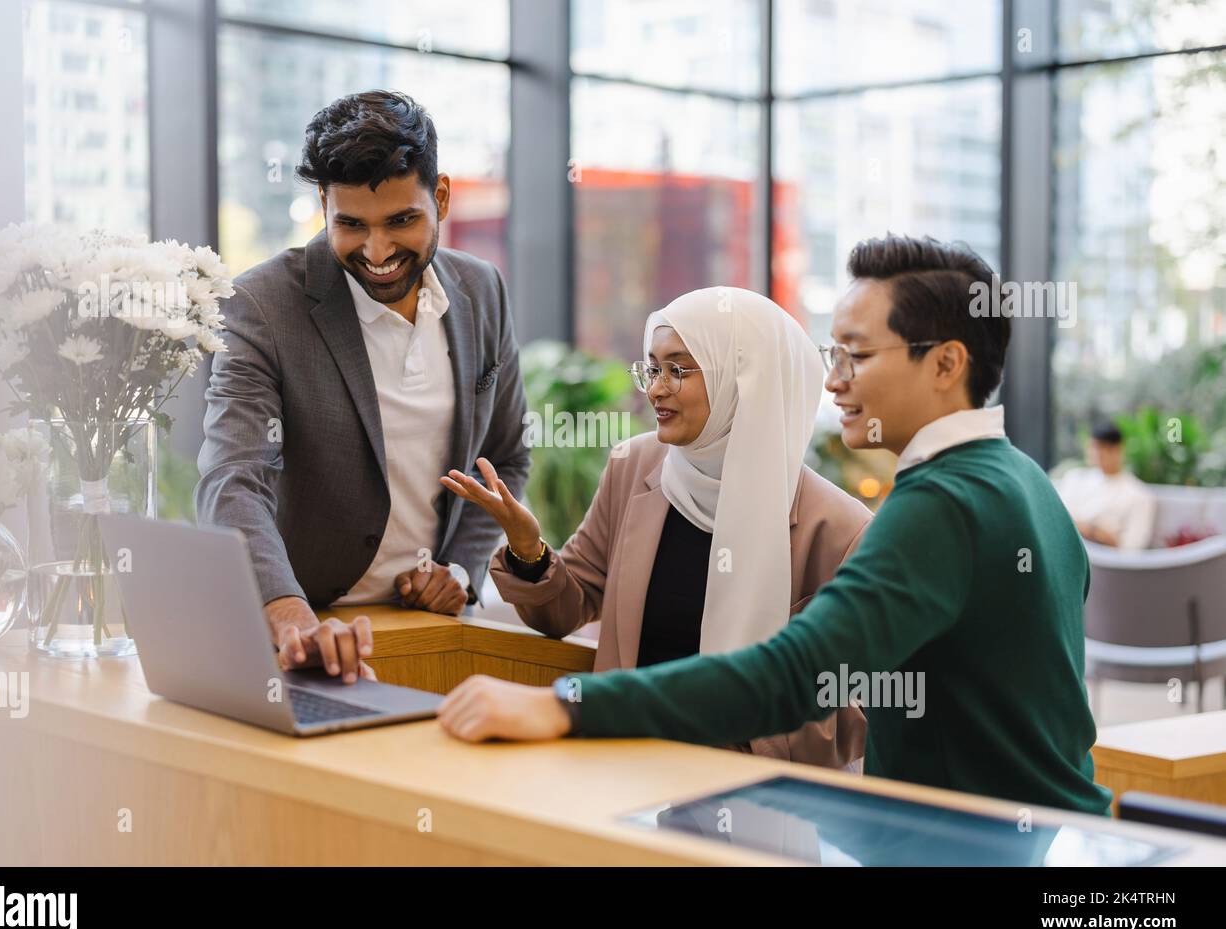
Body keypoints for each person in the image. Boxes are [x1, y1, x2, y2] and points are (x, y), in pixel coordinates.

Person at [437, 235, 1112, 816]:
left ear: (945, 363)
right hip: (1055, 834)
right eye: (832, 355)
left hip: (979, 845)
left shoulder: (939, 505)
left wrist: (568, 706)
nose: (834, 382)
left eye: (858, 356)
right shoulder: (1026, 482)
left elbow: (797, 674)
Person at [441, 287, 872, 770]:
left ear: (743, 379)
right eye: (652, 367)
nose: (656, 388)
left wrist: (729, 725)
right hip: (624, 769)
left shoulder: (839, 529)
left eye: (678, 369)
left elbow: (853, 715)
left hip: (752, 794)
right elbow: (567, 609)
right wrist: (527, 549)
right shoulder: (635, 464)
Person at [195, 91, 529, 684]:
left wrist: (459, 569)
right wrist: (288, 613)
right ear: (324, 204)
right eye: (351, 225)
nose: (377, 252)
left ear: (442, 197)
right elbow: (232, 478)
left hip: (428, 635)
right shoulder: (263, 306)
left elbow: (503, 456)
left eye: (401, 221)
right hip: (308, 636)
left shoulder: (482, 291)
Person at [1056, 420, 1156, 550]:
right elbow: (1057, 520)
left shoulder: (1139, 495)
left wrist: (1092, 531)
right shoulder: (1074, 478)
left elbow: (1131, 548)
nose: (1098, 453)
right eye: (1094, 447)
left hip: (1106, 565)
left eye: (1105, 448)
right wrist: (1096, 531)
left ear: (1119, 450)